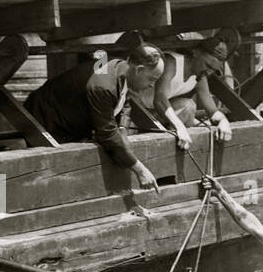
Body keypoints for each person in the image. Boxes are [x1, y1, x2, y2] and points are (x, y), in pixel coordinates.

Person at [23, 41, 165, 191]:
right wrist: (141, 170)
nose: (152, 86)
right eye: (152, 79)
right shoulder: (103, 85)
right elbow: (108, 135)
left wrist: (122, 132)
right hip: (45, 119)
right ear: (139, 70)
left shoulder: (123, 69)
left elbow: (125, 102)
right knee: (56, 180)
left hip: (71, 120)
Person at [152, 35, 233, 147]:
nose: (209, 73)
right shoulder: (172, 63)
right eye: (208, 65)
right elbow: (160, 99)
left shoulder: (200, 75)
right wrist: (180, 127)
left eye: (213, 70)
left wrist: (224, 122)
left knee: (188, 106)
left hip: (156, 114)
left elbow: (213, 111)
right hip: (139, 111)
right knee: (188, 107)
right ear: (196, 53)